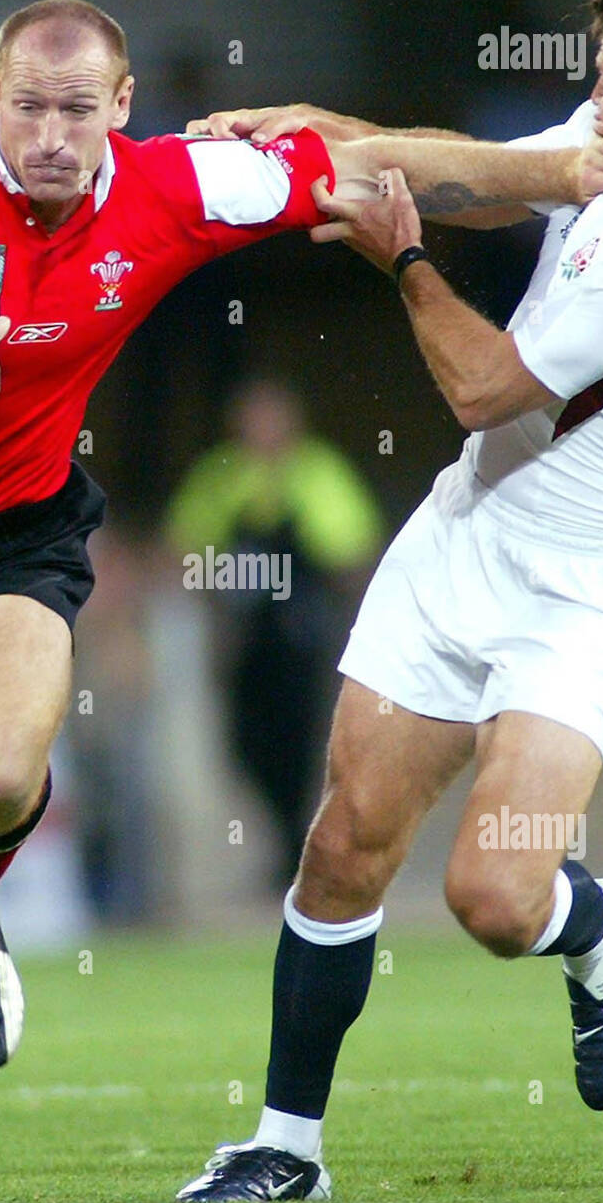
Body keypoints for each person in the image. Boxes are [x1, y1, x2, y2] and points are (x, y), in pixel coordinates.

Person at [0, 0, 603, 1203]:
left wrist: (563, 168)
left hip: (10, 537)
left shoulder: (174, 187)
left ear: (120, 110)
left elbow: (371, 166)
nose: (48, 136)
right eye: (25, 108)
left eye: (74, 111)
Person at [178, 0, 603, 1203]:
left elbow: (483, 385)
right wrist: (320, 130)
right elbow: (490, 186)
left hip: (585, 586)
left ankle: (599, 928)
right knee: (341, 845)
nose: (587, 88)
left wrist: (399, 258)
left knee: (495, 896)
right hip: (470, 534)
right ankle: (287, 1144)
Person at [166, 376, 384, 888]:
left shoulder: (319, 472)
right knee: (243, 744)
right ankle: (290, 845)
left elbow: (352, 552)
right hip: (244, 642)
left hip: (301, 638)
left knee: (299, 744)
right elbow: (185, 550)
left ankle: (294, 854)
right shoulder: (220, 476)